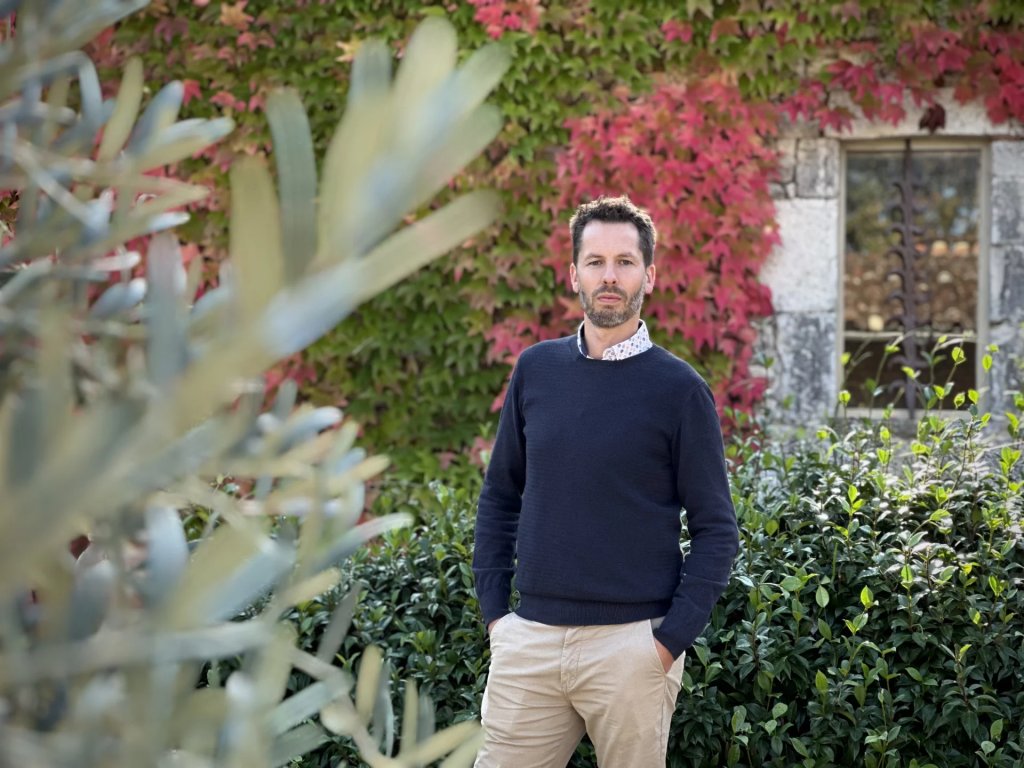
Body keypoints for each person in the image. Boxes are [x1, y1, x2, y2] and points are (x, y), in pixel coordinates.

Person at [472, 195, 739, 767]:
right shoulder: (535, 371)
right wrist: (497, 617)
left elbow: (717, 529)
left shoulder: (680, 390)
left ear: (649, 275)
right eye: (595, 262)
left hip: (631, 647)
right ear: (574, 275)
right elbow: (499, 497)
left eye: (624, 262)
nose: (609, 276)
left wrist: (667, 643)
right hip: (529, 643)